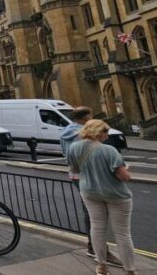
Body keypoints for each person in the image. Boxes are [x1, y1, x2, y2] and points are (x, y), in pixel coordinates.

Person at [67, 120, 135, 275]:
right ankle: (129, 270)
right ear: (97, 132)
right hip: (115, 194)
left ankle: (102, 266)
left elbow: (74, 169)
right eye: (105, 132)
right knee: (122, 233)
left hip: (90, 192)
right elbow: (123, 176)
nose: (106, 135)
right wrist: (127, 171)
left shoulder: (74, 147)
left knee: (97, 228)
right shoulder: (109, 150)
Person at [60, 107, 122, 268]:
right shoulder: (82, 134)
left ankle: (93, 247)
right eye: (90, 115)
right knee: (97, 215)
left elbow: (68, 158)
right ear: (86, 117)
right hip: (88, 176)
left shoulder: (65, 132)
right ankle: (99, 251)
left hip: (76, 175)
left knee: (91, 213)